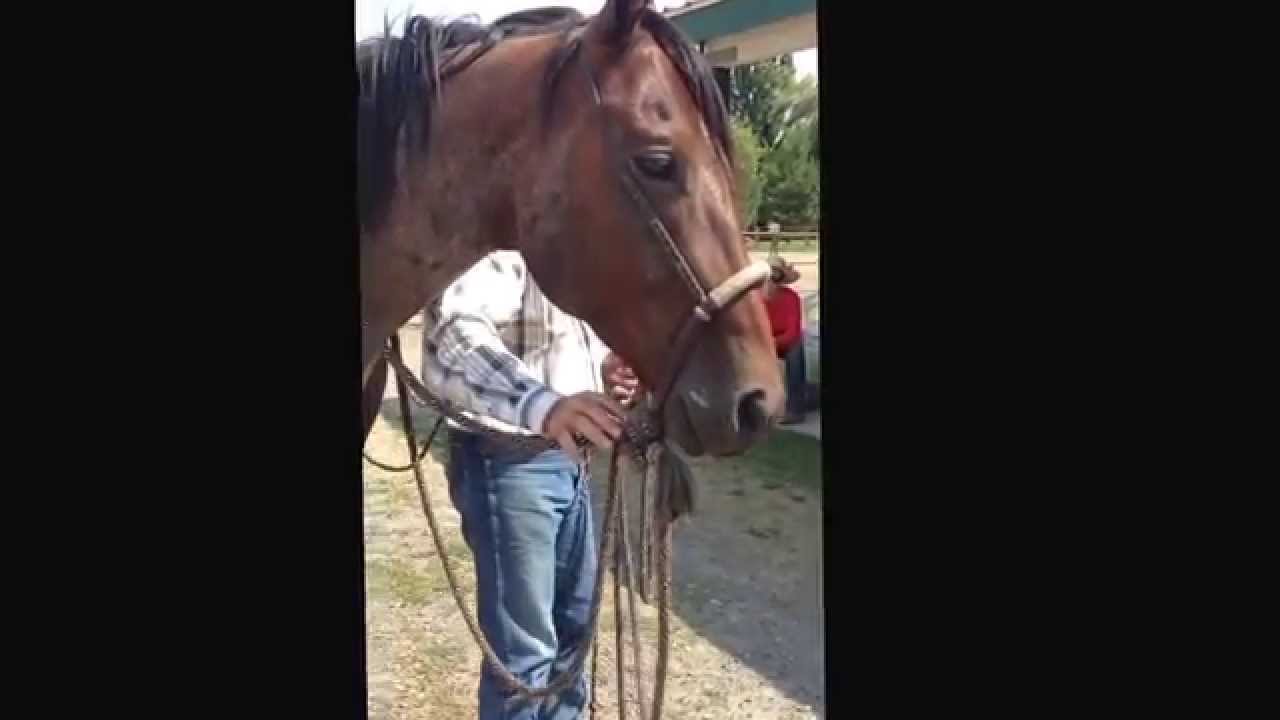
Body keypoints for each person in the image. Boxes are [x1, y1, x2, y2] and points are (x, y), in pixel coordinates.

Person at [420, 250, 638, 720]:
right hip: (511, 460)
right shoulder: (500, 243)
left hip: (563, 460)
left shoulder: (561, 240)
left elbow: (550, 343)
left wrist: (600, 369)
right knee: (525, 656)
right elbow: (456, 335)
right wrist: (546, 406)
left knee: (573, 632)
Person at [762, 255, 807, 424]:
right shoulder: (755, 299)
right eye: (768, 276)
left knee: (796, 347)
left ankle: (795, 410)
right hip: (763, 341)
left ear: (781, 279)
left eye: (775, 276)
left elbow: (792, 332)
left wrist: (772, 343)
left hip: (783, 343)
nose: (771, 281)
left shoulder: (791, 297)